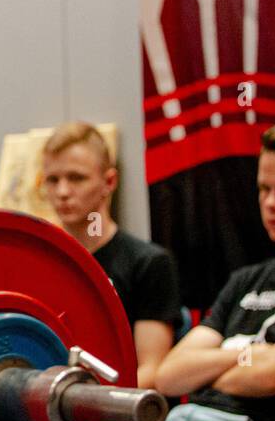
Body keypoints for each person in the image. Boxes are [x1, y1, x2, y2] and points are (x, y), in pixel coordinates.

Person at [89, 118, 275, 421]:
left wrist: (218, 362)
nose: (270, 203)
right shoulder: (246, 280)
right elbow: (170, 376)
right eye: (263, 189)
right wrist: (245, 353)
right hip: (191, 419)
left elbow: (271, 376)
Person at [40, 122, 181, 387]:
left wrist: (97, 409)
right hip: (52, 402)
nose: (62, 192)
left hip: (119, 411)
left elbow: (152, 371)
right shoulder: (42, 263)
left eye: (76, 178)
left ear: (109, 182)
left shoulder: (148, 263)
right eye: (53, 180)